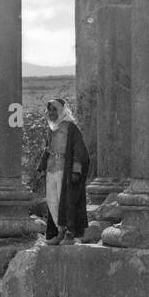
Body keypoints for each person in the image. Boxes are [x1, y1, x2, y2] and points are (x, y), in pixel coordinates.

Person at [35, 98, 90, 244]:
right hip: (51, 170)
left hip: (65, 171)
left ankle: (70, 235)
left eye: (55, 109)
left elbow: (80, 151)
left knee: (66, 203)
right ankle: (60, 233)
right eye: (50, 110)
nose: (51, 113)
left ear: (62, 111)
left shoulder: (71, 128)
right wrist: (41, 167)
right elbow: (47, 149)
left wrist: (76, 170)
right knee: (53, 202)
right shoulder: (51, 128)